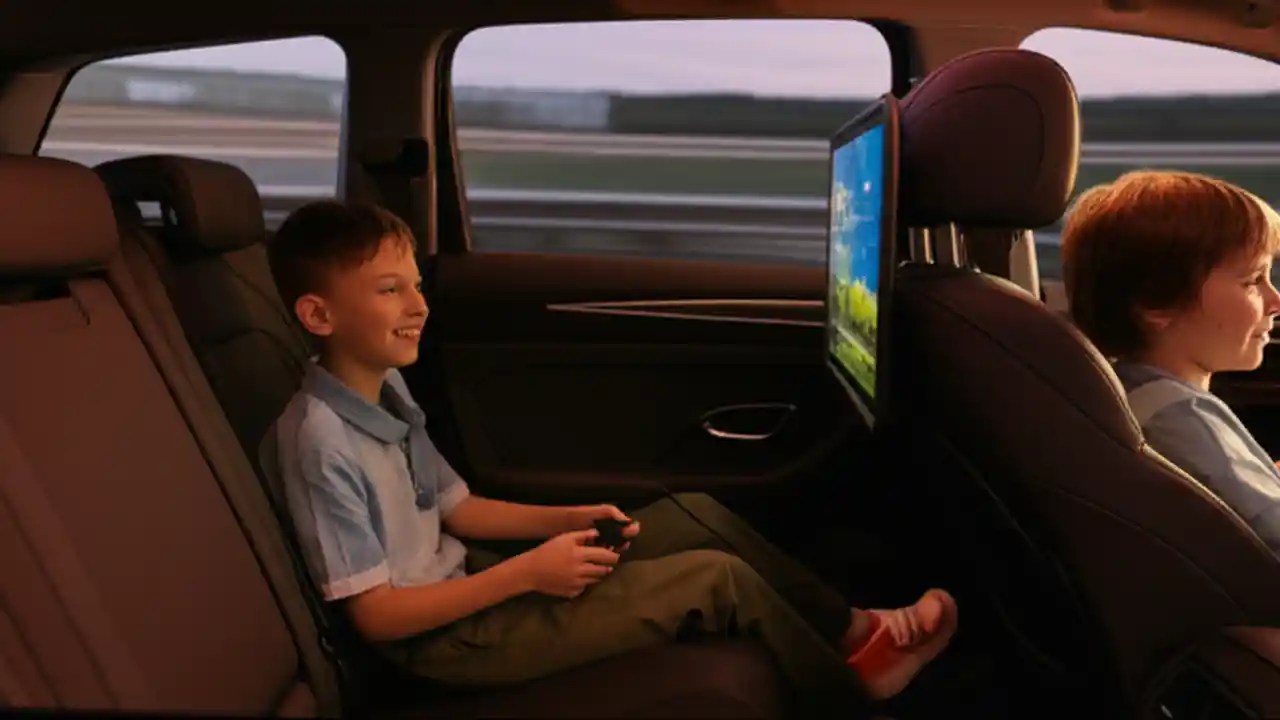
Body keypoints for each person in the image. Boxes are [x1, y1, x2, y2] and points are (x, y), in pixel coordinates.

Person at [263, 199, 958, 711]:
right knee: (716, 579)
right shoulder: (320, 441)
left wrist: (564, 520)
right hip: (444, 644)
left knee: (694, 513)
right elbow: (377, 616)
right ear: (319, 316)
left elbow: (460, 508)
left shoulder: (386, 386)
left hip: (464, 580)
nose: (418, 304)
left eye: (416, 283)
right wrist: (530, 575)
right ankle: (851, 693)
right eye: (391, 290)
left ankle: (853, 630)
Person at [1061, 169, 1280, 555]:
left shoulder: (1139, 395)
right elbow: (1271, 529)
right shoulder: (1177, 415)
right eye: (1252, 281)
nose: (1275, 301)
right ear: (1156, 302)